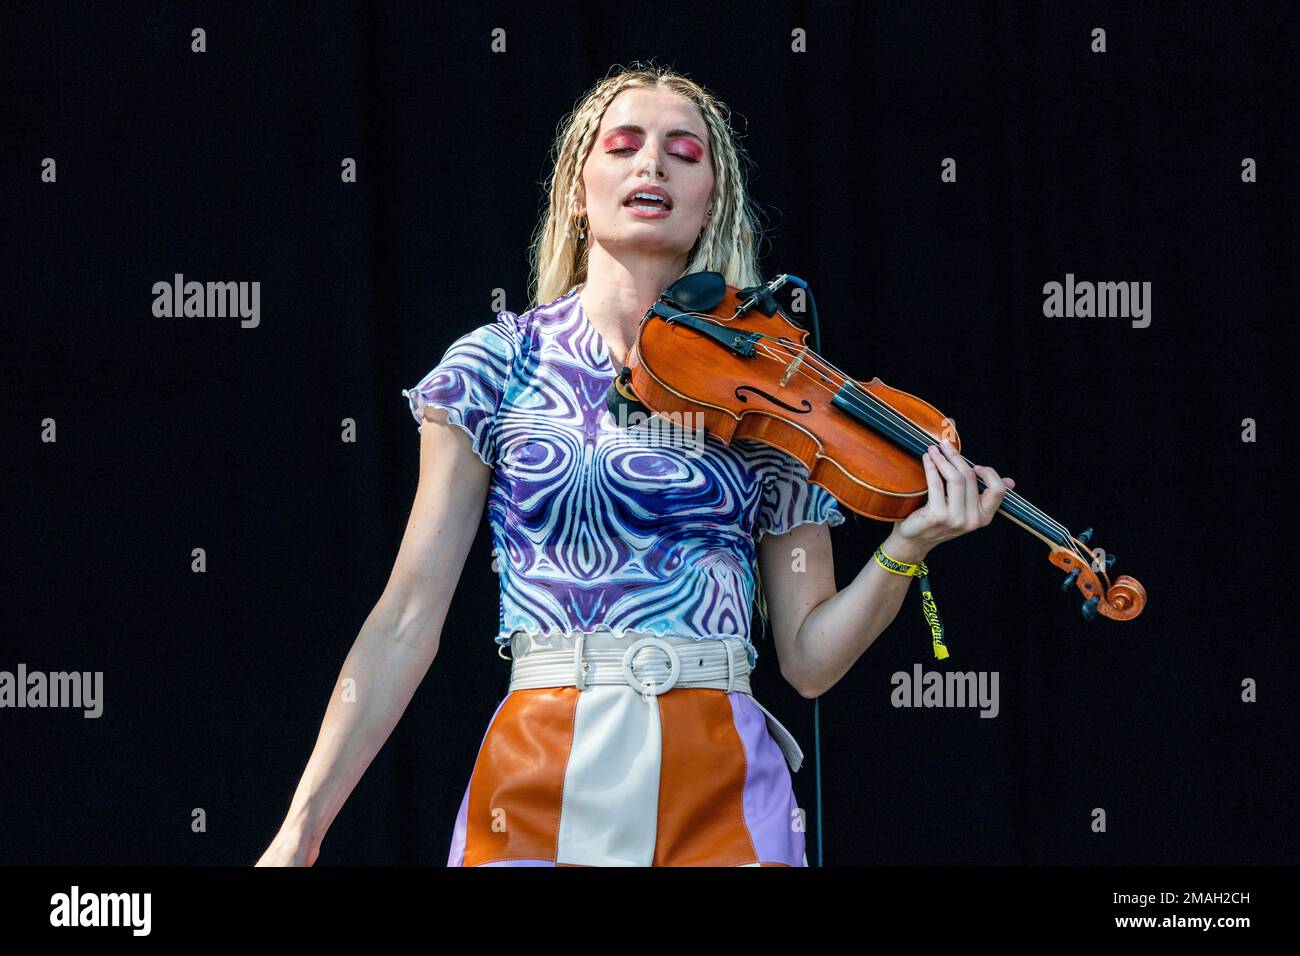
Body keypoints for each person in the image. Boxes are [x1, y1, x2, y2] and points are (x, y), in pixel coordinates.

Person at [255, 62, 1013, 868]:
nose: (653, 163)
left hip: (721, 770)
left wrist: (908, 547)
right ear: (578, 191)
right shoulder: (499, 362)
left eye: (685, 153)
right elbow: (406, 618)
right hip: (538, 766)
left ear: (710, 203)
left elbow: (810, 660)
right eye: (625, 145)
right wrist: (299, 833)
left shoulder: (773, 393)